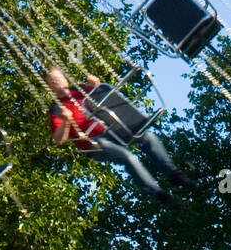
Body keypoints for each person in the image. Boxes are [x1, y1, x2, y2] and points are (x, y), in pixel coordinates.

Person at [44, 67, 195, 206]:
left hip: (112, 129)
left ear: (65, 78)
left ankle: (174, 174)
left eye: (60, 78)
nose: (58, 82)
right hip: (94, 143)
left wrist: (95, 85)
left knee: (147, 137)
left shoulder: (81, 90)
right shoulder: (56, 108)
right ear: (50, 87)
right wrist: (66, 121)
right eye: (53, 81)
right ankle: (159, 194)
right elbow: (58, 139)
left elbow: (105, 96)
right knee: (128, 157)